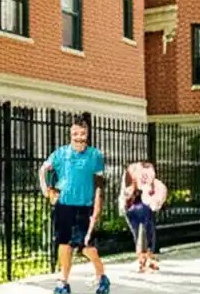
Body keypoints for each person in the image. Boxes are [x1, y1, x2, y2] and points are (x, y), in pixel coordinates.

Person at [38, 117, 111, 294]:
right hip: (63, 206)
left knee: (85, 246)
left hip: (84, 207)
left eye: (82, 133)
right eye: (75, 134)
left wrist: (97, 210)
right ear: (70, 134)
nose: (79, 137)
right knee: (64, 244)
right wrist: (46, 191)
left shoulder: (95, 155)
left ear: (87, 134)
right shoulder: (61, 153)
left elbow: (99, 185)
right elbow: (43, 169)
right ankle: (63, 282)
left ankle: (102, 276)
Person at [119, 160, 167, 273]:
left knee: (138, 235)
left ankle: (143, 260)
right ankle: (146, 260)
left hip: (131, 208)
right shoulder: (141, 179)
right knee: (147, 233)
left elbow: (125, 194)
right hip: (140, 207)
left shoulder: (130, 177)